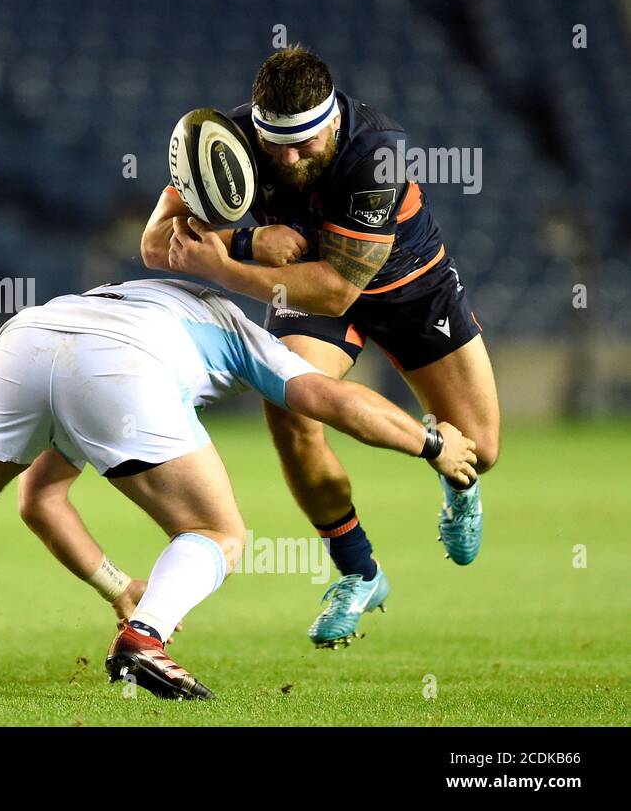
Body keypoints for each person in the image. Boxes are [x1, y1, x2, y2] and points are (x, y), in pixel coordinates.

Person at [0, 279, 474, 699]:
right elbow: (329, 402)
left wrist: (116, 584)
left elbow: (39, 501)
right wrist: (434, 442)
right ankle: (145, 641)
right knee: (218, 536)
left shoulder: (137, 293)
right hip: (121, 367)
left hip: (34, 336)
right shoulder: (239, 329)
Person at [142, 47, 500, 646]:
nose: (286, 157)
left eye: (302, 143)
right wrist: (251, 242)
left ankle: (458, 480)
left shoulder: (377, 154)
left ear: (332, 121)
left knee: (481, 450)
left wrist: (228, 266)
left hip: (409, 286)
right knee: (291, 409)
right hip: (302, 290)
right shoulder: (225, 144)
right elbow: (156, 243)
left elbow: (337, 290)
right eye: (274, 142)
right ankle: (360, 572)